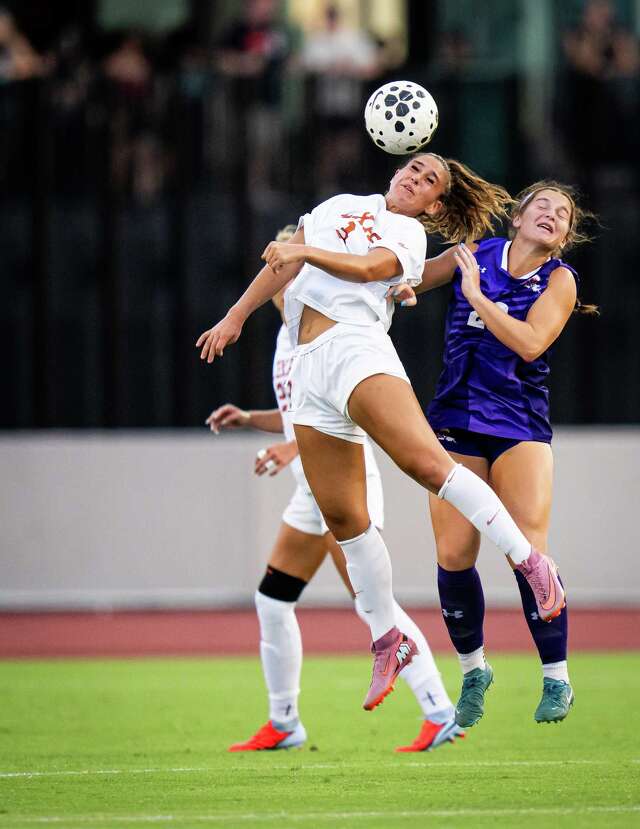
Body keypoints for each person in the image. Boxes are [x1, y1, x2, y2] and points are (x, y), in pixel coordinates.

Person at [196, 153, 566, 714]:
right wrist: (236, 315)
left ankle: (529, 563)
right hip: (308, 361)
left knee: (427, 466)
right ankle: (386, 641)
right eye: (412, 170)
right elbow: (282, 269)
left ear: (435, 205)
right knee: (345, 519)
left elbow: (370, 270)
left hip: (356, 345)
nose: (413, 181)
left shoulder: (408, 233)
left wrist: (302, 249)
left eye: (429, 182)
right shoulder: (340, 207)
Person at [207, 228, 464, 752]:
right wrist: (250, 421)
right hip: (310, 490)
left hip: (344, 482)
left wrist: (290, 448)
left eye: (289, 264)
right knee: (273, 600)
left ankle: (440, 711)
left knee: (375, 606)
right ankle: (284, 722)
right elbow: (298, 415)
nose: (281, 275)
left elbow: (347, 414)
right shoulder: (289, 336)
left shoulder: (331, 331)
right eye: (275, 264)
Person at [390, 181, 596, 727]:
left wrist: (479, 298)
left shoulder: (559, 279)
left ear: (565, 237)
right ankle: (474, 670)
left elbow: (530, 343)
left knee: (527, 551)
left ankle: (557, 678)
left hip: (518, 424)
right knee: (454, 553)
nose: (552, 215)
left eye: (563, 214)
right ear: (518, 216)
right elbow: (412, 280)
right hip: (455, 415)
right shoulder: (476, 252)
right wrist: (391, 289)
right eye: (543, 206)